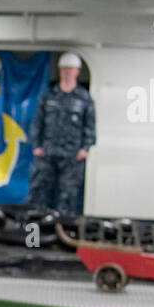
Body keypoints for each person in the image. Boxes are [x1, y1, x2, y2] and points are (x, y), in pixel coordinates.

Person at [25, 51, 95, 214]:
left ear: (77, 71)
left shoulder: (84, 99)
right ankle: (34, 235)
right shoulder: (48, 96)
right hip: (47, 154)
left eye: (71, 69)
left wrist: (84, 149)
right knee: (39, 193)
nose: (67, 73)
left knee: (67, 197)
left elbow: (90, 126)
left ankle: (63, 235)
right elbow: (37, 122)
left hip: (72, 157)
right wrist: (37, 146)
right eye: (64, 69)